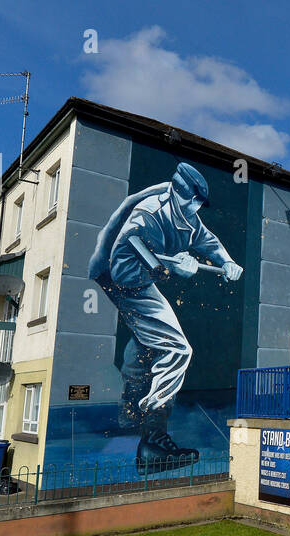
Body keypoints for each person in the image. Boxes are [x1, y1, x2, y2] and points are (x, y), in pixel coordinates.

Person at [88, 162, 243, 473]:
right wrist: (170, 267)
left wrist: (227, 262)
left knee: (147, 340)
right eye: (193, 202)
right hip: (123, 279)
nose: (196, 209)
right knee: (176, 348)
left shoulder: (185, 214)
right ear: (179, 194)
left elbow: (207, 241)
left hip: (140, 278)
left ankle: (130, 413)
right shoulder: (147, 216)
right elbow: (125, 266)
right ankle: (152, 441)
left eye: (199, 205)